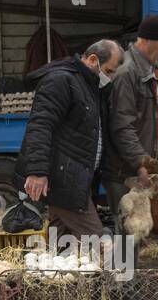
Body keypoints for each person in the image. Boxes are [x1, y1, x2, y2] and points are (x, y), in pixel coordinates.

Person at [16, 39, 123, 239]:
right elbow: (41, 125)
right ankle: (98, 269)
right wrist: (37, 171)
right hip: (65, 177)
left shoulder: (91, 86)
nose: (110, 77)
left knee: (61, 238)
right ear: (93, 60)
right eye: (108, 71)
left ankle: (53, 266)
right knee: (94, 237)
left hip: (76, 175)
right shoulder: (61, 81)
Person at [106, 15, 158, 231]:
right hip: (124, 175)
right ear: (146, 40)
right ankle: (123, 266)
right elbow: (122, 126)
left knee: (136, 238)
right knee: (129, 238)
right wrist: (140, 163)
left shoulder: (150, 70)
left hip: (137, 172)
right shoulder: (127, 73)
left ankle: (128, 266)